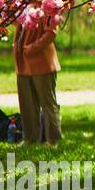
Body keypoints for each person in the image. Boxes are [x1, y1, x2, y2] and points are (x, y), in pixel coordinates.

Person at [14, 14, 62, 145]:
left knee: (47, 103)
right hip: (22, 62)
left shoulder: (49, 6)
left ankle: (53, 140)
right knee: (27, 103)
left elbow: (51, 33)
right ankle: (30, 139)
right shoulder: (22, 3)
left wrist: (33, 48)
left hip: (42, 62)